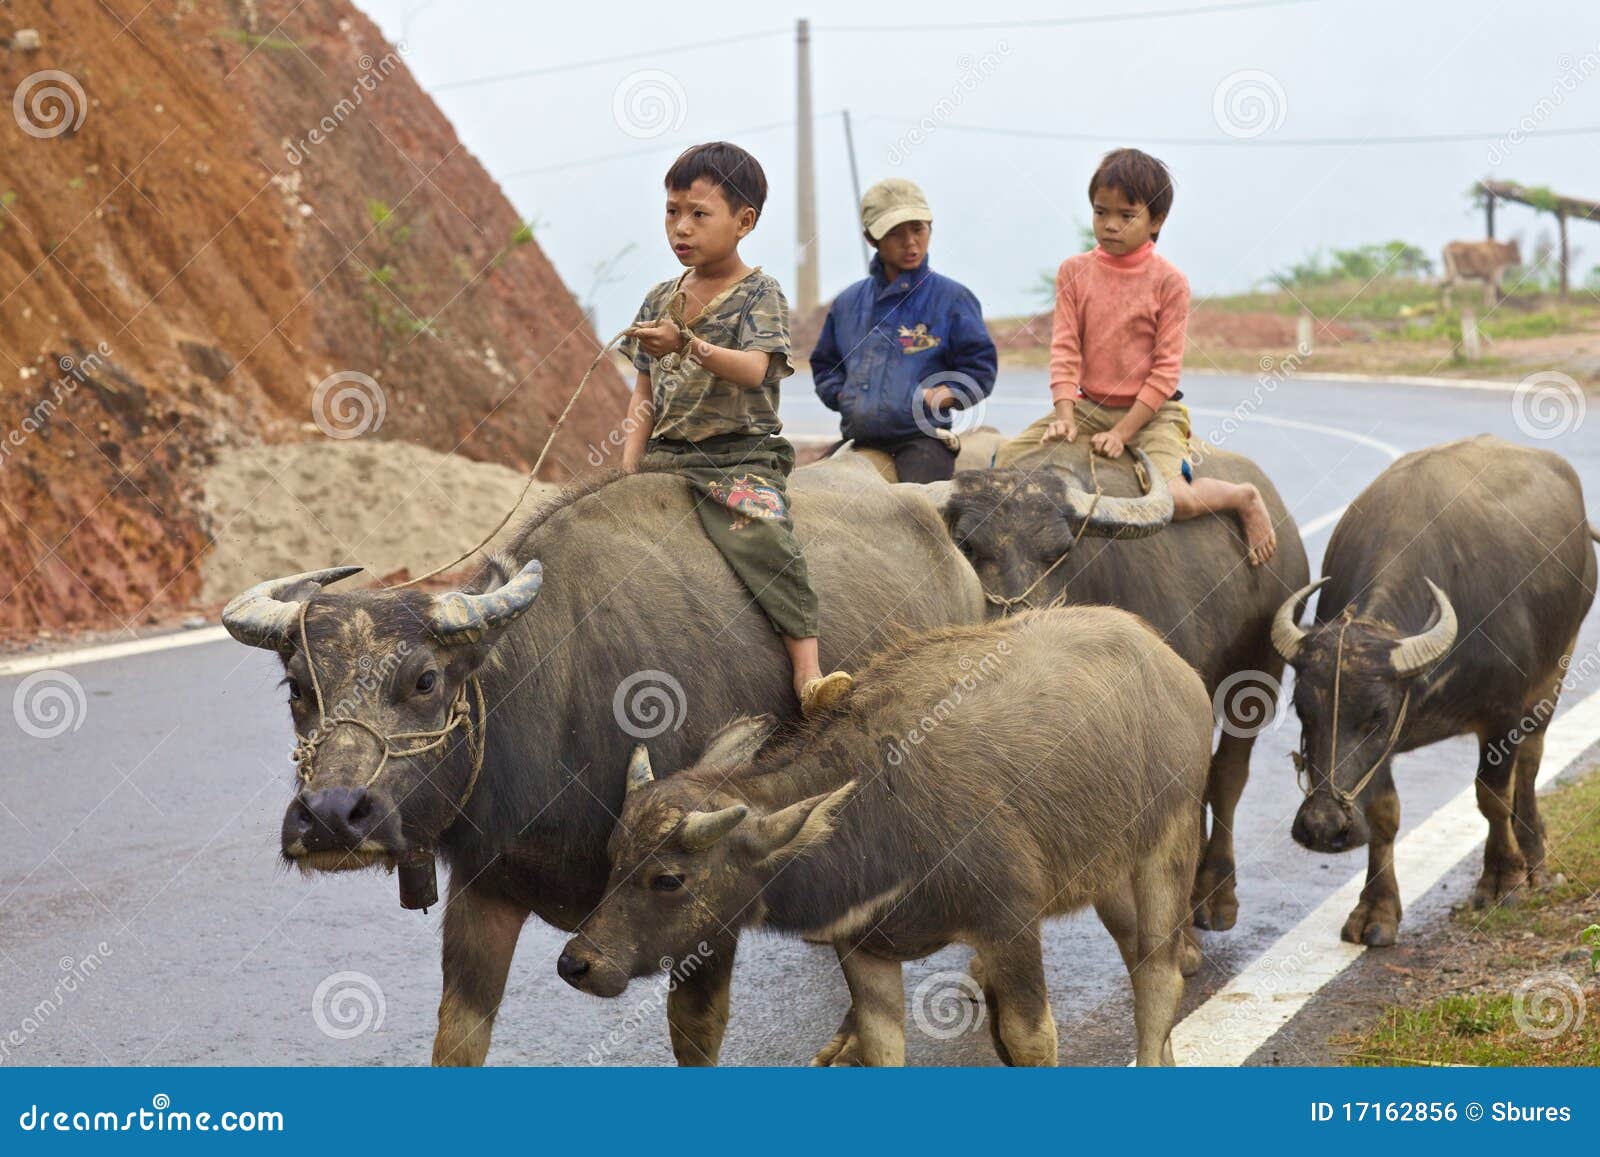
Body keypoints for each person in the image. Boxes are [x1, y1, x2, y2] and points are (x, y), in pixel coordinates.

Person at [620, 141, 853, 717]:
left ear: (744, 222)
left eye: (700, 214)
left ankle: (807, 671)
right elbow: (643, 392)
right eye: (673, 211)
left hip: (737, 458)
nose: (682, 228)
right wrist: (626, 468)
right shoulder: (658, 297)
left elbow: (754, 370)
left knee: (765, 537)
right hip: (667, 457)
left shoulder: (759, 295)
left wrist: (690, 345)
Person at [998, 148, 1277, 564]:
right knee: (1004, 462)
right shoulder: (1074, 271)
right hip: (1089, 405)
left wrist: (1123, 433)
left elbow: (1165, 373)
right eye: (1100, 212)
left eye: (1126, 215)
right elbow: (1064, 349)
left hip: (1152, 414)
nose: (1110, 225)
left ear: (1156, 221)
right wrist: (1065, 416)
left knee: (1175, 501)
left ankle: (1242, 497)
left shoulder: (1169, 282)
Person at [811, 178, 997, 483]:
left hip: (923, 439)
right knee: (809, 495)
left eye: (918, 229)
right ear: (871, 238)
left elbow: (981, 369)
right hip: (860, 438)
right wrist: (846, 396)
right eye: (895, 233)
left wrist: (944, 395)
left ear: (930, 228)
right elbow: (825, 365)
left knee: (917, 513)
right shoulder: (846, 303)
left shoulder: (953, 299)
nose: (911, 242)